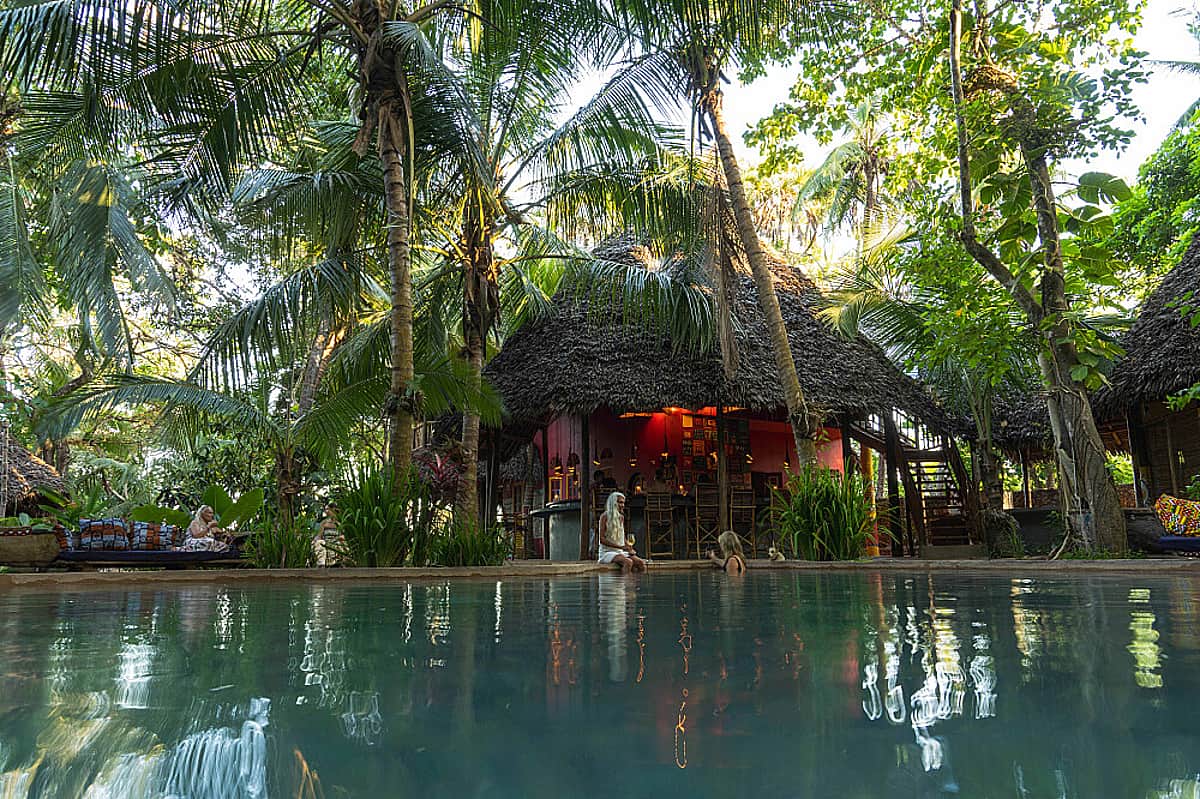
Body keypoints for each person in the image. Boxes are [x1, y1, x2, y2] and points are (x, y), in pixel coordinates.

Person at [597, 492, 646, 573]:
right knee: (628, 562)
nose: (623, 505)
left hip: (620, 551)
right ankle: (622, 584)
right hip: (607, 552)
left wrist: (629, 548)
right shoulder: (604, 516)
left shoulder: (621, 518)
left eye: (623, 503)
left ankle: (633, 584)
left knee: (641, 563)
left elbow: (622, 538)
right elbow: (601, 539)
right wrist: (621, 547)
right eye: (620, 502)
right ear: (613, 503)